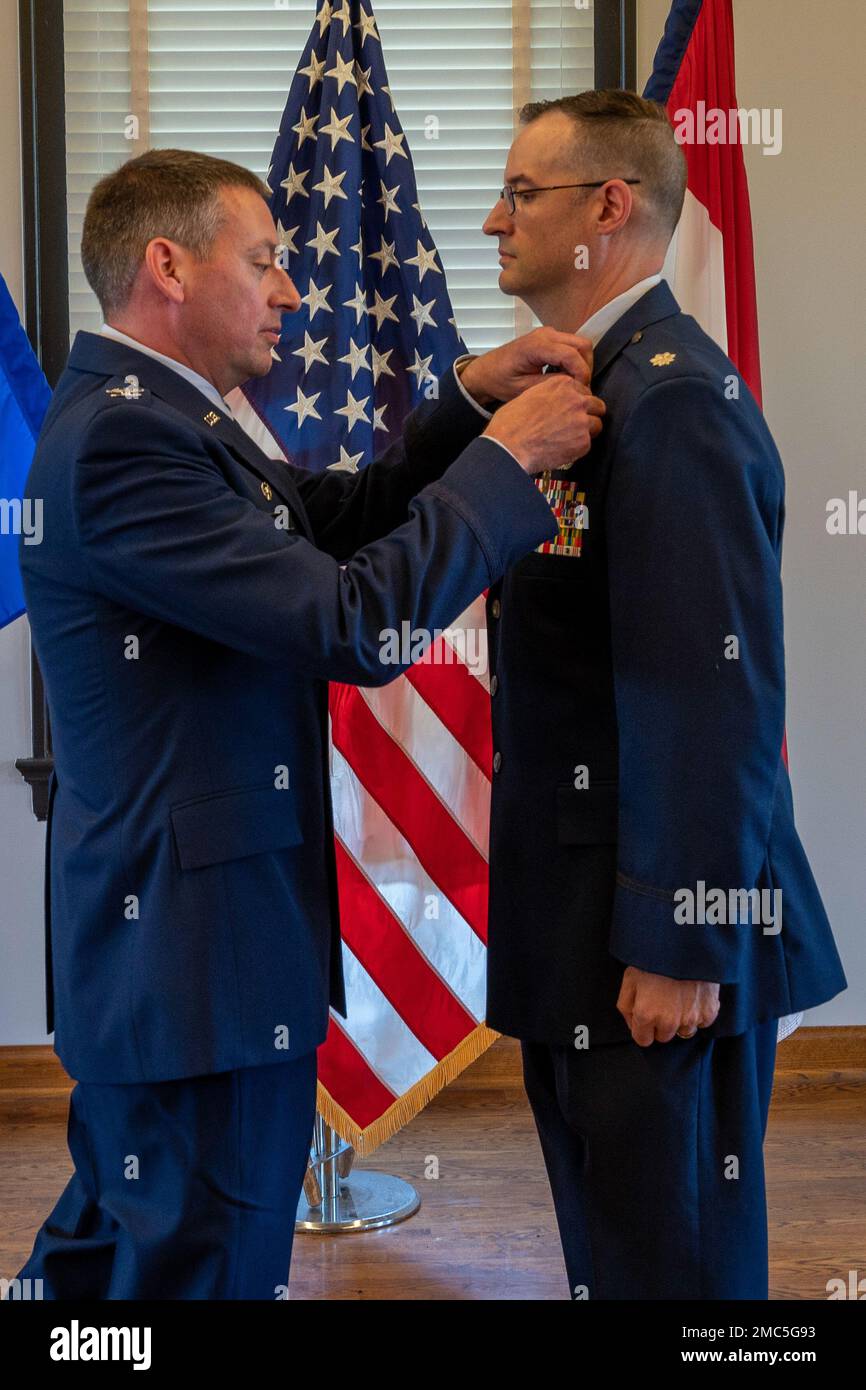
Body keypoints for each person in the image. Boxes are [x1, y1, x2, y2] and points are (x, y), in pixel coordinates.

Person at [11, 147, 605, 1300]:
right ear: (168, 266)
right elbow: (349, 619)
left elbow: (319, 519)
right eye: (267, 260)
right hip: (197, 972)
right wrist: (506, 461)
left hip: (177, 964)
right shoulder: (127, 441)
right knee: (205, 1271)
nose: (291, 290)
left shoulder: (158, 413)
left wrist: (467, 401)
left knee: (102, 1272)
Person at [477, 90, 847, 1299]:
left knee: (673, 1270)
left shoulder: (670, 400)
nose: (492, 219)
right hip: (584, 919)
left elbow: (710, 693)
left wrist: (685, 937)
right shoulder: (597, 382)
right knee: (613, 1255)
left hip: (650, 941)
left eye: (521, 194)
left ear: (607, 207)